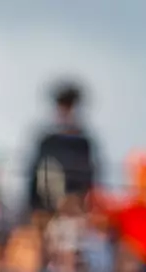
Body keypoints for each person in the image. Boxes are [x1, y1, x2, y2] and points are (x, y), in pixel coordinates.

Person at [25, 79, 99, 218]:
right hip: (47, 211)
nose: (67, 110)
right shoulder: (47, 141)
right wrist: (36, 209)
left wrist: (76, 202)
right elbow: (34, 179)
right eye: (63, 105)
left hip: (77, 212)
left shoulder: (83, 143)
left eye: (70, 105)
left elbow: (91, 179)